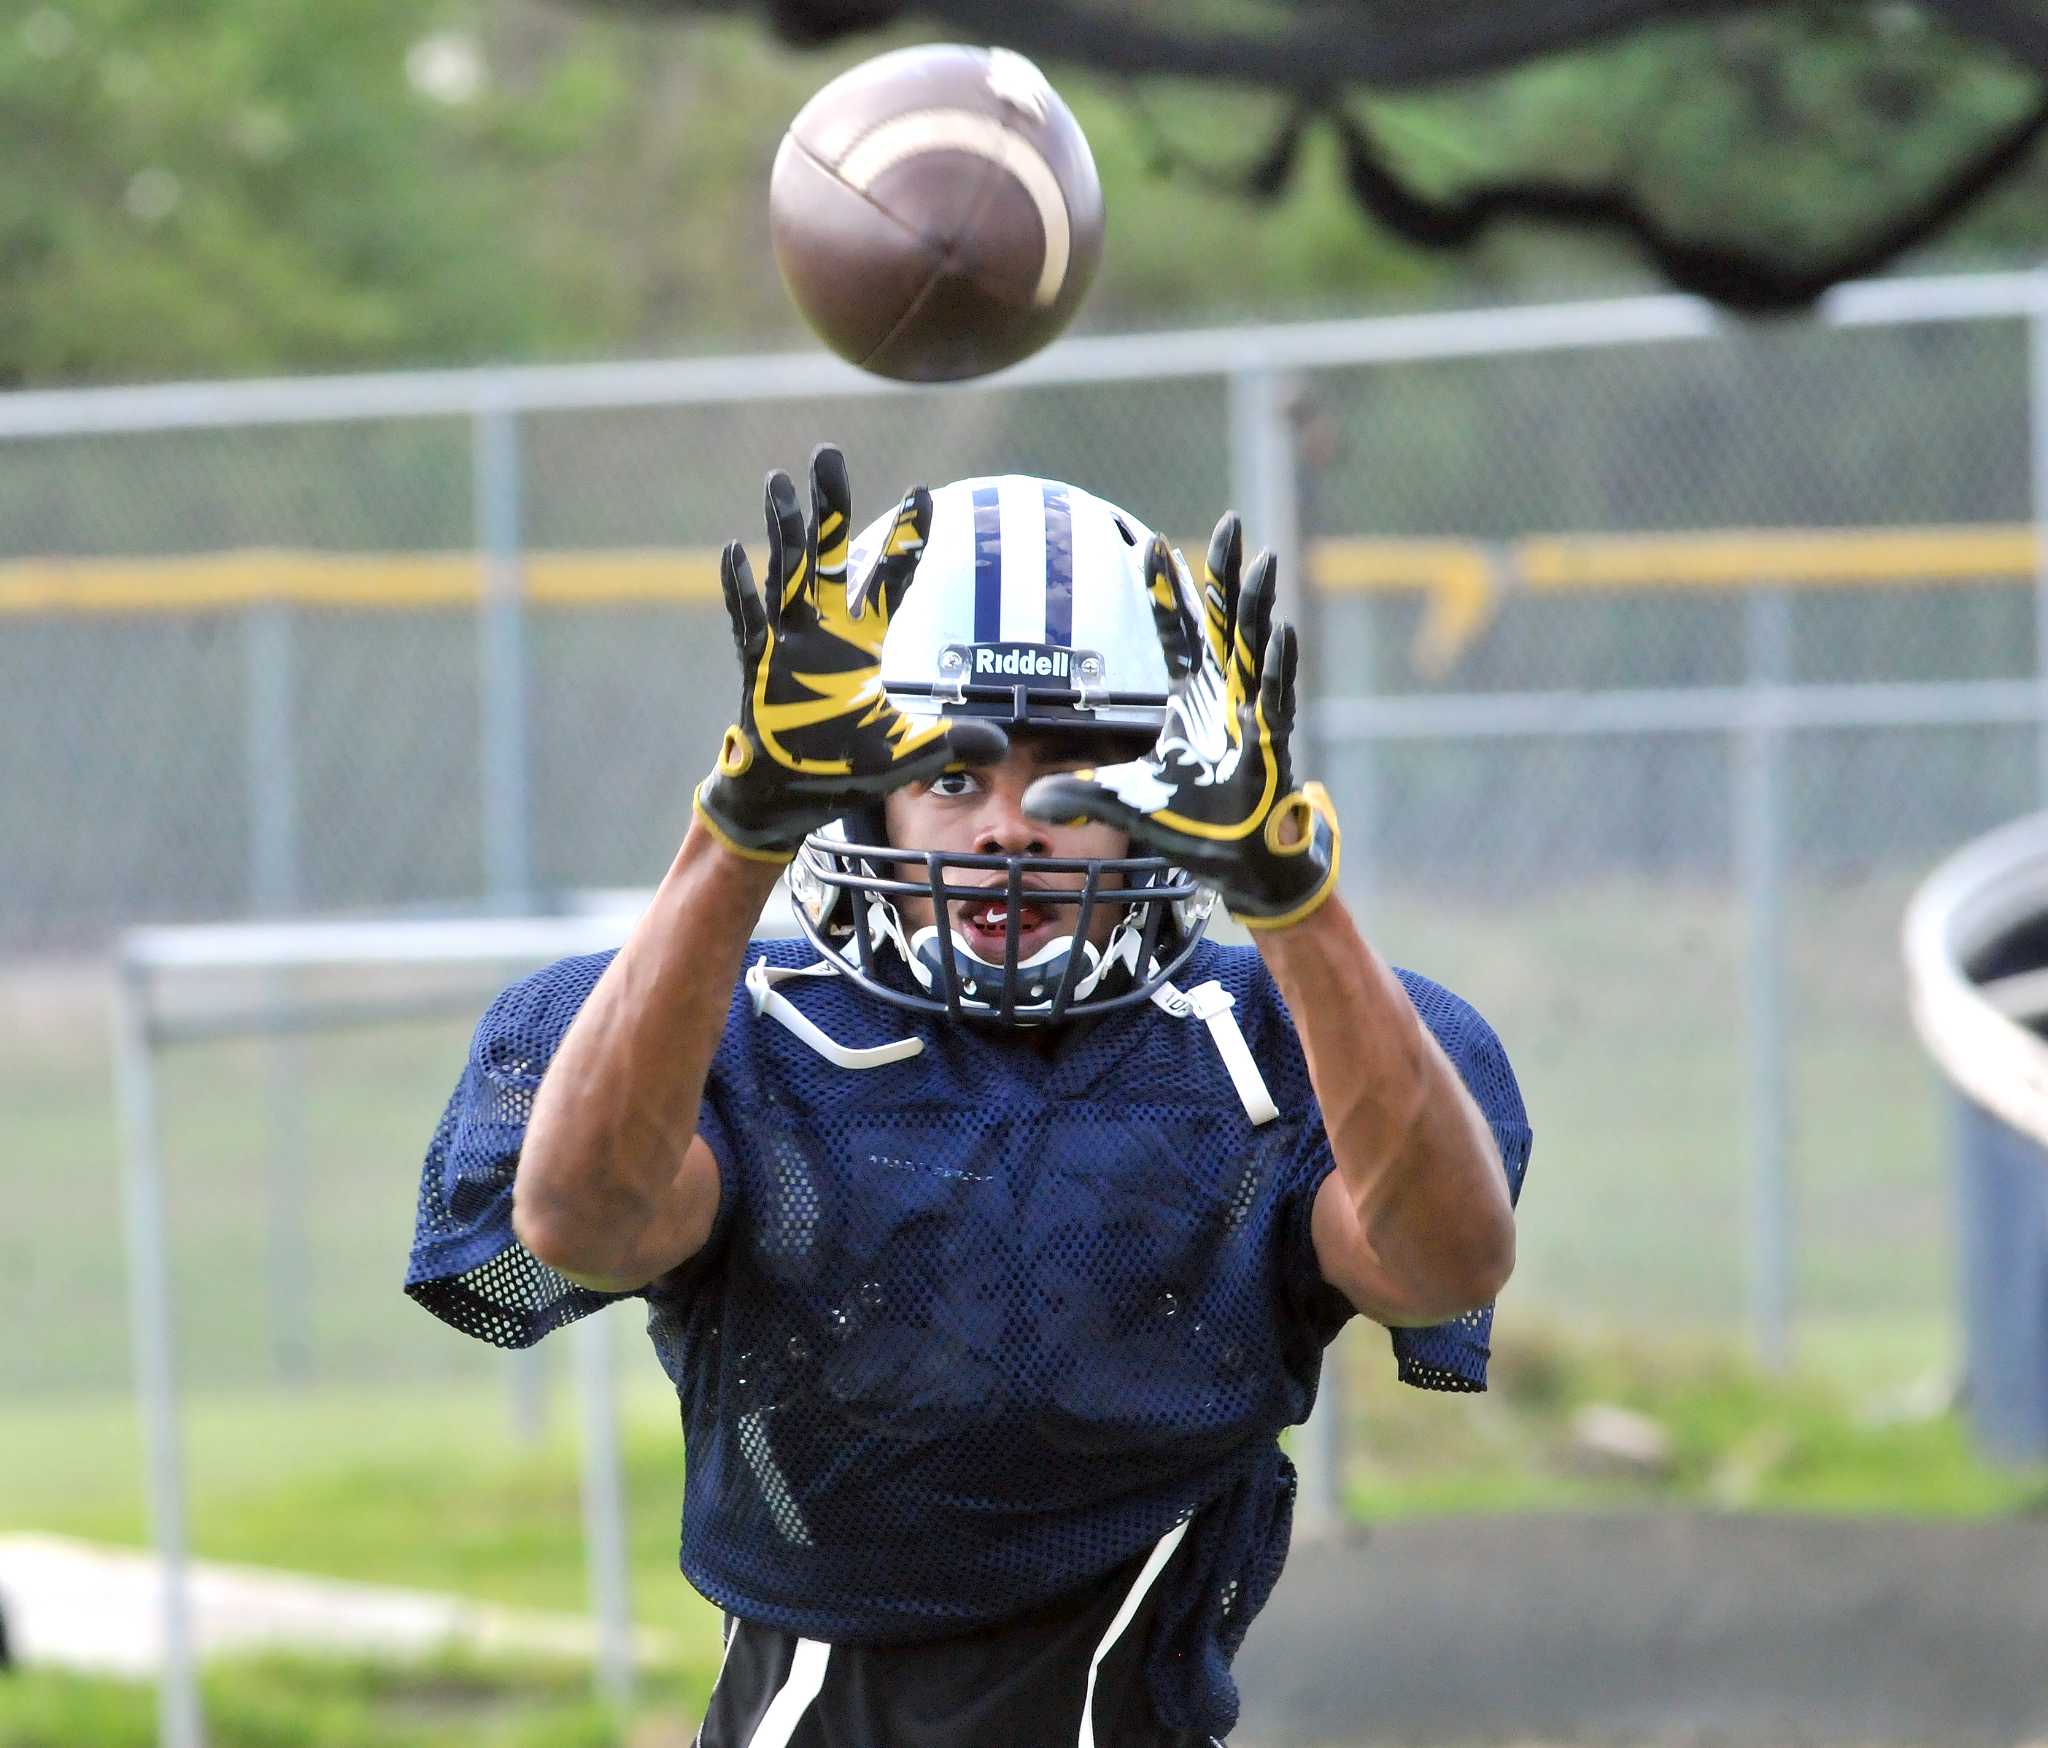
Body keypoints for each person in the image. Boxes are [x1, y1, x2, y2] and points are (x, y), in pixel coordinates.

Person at [406, 447, 1531, 1748]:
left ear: (1160, 796)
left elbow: (1442, 1266)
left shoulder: (1260, 1041)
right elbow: (581, 1221)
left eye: (1068, 779)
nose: (1009, 827)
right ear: (861, 789)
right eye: (953, 775)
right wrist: (736, 835)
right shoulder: (738, 1033)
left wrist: (1294, 903)